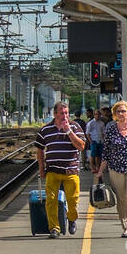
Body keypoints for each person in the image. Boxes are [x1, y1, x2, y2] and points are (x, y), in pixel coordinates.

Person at [34, 101, 85, 237]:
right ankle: (54, 228)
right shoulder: (46, 129)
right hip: (52, 170)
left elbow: (81, 146)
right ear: (55, 114)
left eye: (67, 113)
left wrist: (69, 131)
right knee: (51, 200)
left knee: (73, 200)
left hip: (71, 170)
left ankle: (72, 218)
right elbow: (40, 149)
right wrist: (41, 168)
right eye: (62, 113)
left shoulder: (75, 127)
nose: (65, 116)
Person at [97, 100, 127, 238]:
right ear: (114, 114)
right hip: (115, 168)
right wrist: (100, 170)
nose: (121, 113)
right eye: (118, 111)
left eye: (123, 111)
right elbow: (106, 152)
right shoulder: (111, 129)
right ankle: (126, 227)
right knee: (122, 198)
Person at [85, 107, 105, 174]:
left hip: (100, 140)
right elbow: (87, 133)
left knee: (98, 155)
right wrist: (90, 141)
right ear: (94, 115)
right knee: (93, 155)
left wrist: (103, 140)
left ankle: (97, 167)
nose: (98, 116)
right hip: (93, 140)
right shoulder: (90, 123)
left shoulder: (102, 123)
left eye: (99, 114)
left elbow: (103, 133)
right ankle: (92, 168)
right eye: (96, 114)